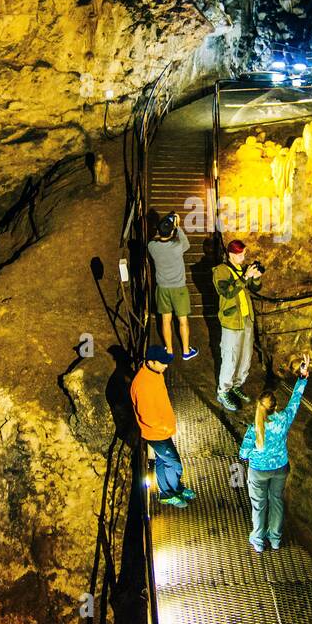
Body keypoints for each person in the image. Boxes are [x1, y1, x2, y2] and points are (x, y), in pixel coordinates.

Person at [239, 354, 311, 553]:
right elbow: (295, 401)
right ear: (276, 406)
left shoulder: (254, 429)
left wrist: (253, 454)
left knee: (259, 506)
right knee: (277, 502)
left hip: (258, 471)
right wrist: (303, 377)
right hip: (280, 468)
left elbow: (243, 454)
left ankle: (259, 540)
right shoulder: (283, 419)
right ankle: (276, 539)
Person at [130, 345, 196, 508]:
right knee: (174, 464)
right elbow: (147, 416)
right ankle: (168, 493)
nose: (166, 366)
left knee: (163, 460)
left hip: (161, 429)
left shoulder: (154, 372)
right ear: (151, 362)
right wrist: (164, 427)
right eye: (163, 363)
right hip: (156, 433)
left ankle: (173, 490)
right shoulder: (143, 384)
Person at [213, 239, 263, 411]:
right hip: (232, 322)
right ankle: (223, 391)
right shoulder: (221, 270)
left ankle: (237, 384)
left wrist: (255, 279)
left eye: (244, 254)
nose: (243, 257)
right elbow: (227, 292)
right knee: (230, 358)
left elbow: (255, 288)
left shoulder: (243, 269)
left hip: (246, 319)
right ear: (231, 255)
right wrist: (245, 277)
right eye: (240, 254)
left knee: (245, 356)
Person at [147, 212, 197, 360]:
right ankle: (186, 351)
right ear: (172, 231)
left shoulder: (152, 247)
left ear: (158, 231)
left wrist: (166, 227)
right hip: (179, 289)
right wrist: (178, 226)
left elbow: (155, 239)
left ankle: (169, 350)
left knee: (165, 320)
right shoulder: (178, 246)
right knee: (183, 321)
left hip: (162, 288)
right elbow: (186, 243)